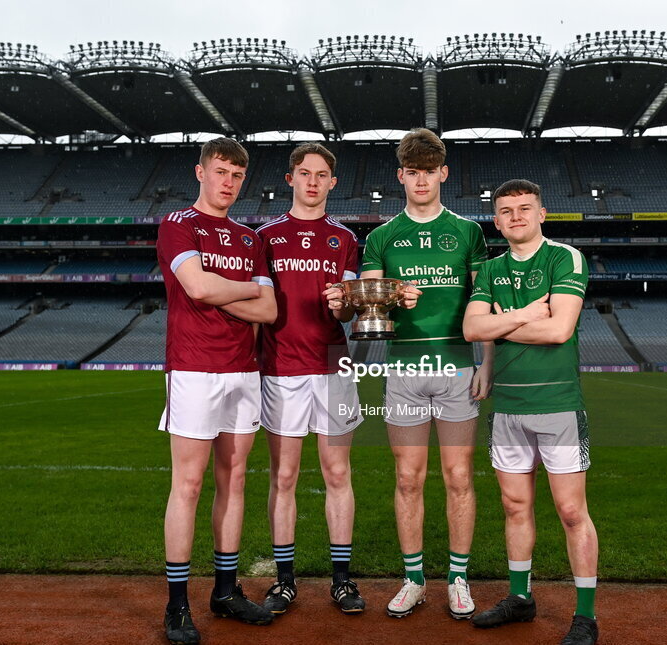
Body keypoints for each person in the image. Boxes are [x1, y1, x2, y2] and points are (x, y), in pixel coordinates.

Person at [359, 128, 492, 619]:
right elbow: (369, 311)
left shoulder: (468, 232)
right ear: (401, 175)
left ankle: (458, 578)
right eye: (411, 172)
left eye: (428, 172)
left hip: (457, 368)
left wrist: (486, 363)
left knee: (459, 475)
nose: (420, 180)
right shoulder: (380, 237)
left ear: (444, 174)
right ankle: (413, 578)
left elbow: (485, 304)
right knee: (409, 477)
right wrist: (394, 294)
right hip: (404, 371)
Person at [462, 179, 599, 645]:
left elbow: (559, 330)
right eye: (506, 210)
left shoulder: (564, 257)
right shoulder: (490, 269)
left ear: (542, 213)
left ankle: (585, 616)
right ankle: (521, 599)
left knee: (570, 510)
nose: (516, 216)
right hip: (509, 410)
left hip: (557, 405)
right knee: (514, 505)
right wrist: (524, 316)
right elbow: (469, 327)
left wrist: (500, 323)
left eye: (525, 208)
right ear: (496, 221)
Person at [156, 138, 278, 645]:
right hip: (194, 369)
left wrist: (230, 291)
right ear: (200, 172)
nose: (227, 182)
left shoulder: (251, 240)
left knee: (235, 480)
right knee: (188, 485)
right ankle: (177, 604)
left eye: (236, 175)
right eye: (220, 171)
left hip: (243, 371)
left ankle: (225, 592)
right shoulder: (179, 224)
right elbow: (197, 288)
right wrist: (245, 289)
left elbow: (269, 312)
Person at [255, 143, 367, 615]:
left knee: (338, 472)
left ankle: (341, 580)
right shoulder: (264, 237)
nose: (313, 181)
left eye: (322, 175)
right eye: (305, 173)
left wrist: (346, 302)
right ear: (290, 179)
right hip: (281, 369)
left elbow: (351, 307)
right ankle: (284, 581)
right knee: (284, 475)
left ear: (332, 183)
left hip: (332, 366)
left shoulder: (345, 240)